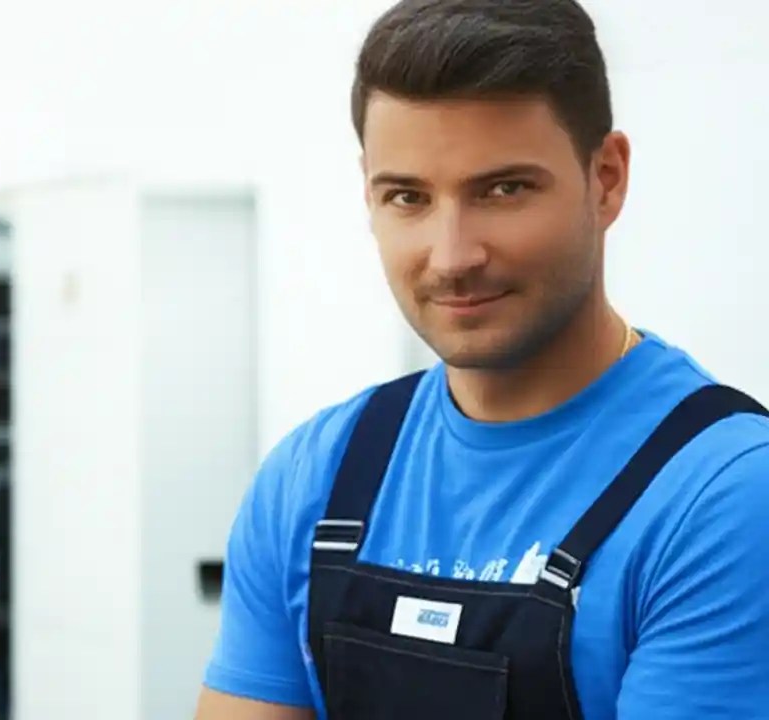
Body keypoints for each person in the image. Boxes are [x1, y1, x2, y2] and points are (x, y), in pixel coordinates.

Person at [194, 0, 769, 718]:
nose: (453, 256)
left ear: (607, 179)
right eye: (408, 197)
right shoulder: (312, 478)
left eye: (503, 190)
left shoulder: (724, 497)